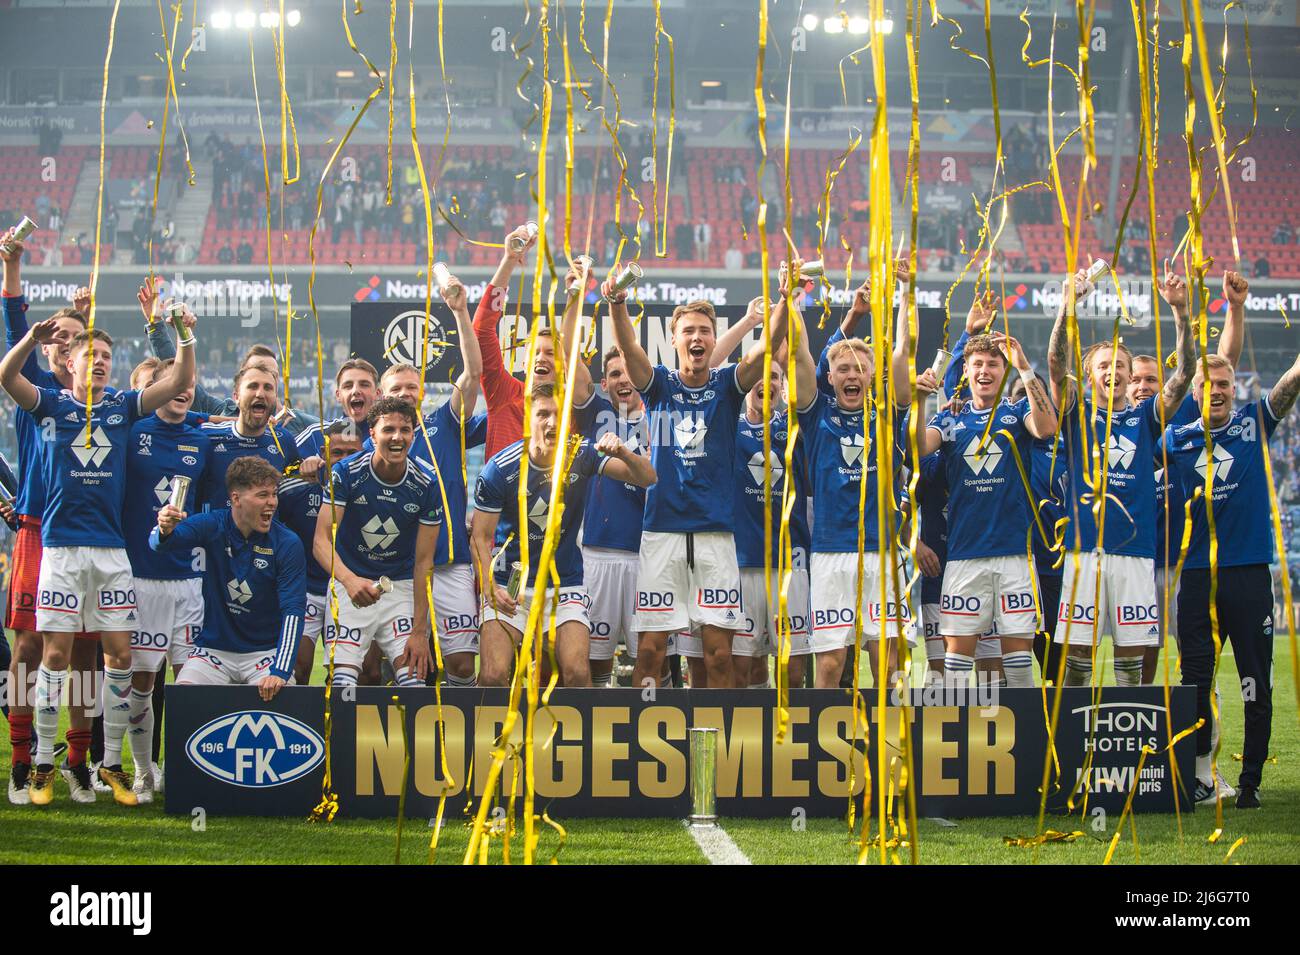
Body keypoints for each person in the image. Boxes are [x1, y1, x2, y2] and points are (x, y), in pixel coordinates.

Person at [0, 312, 195, 806]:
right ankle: (43, 762)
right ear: (71, 361)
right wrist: (30, 338)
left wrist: (184, 334)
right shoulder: (51, 404)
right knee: (56, 656)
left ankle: (110, 763)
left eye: (108, 356)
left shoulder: (123, 407)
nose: (102, 363)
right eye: (93, 356)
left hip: (112, 553)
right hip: (61, 550)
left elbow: (180, 379)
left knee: (119, 657)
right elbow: (6, 376)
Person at [608, 264, 783, 689]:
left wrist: (787, 297)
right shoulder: (659, 385)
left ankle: (718, 746)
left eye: (704, 330)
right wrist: (616, 303)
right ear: (674, 340)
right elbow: (630, 348)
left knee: (719, 654)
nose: (697, 338)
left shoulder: (726, 385)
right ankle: (642, 740)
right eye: (688, 331)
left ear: (712, 337)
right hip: (662, 534)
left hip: (716, 538)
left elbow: (765, 351)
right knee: (649, 649)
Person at [1046, 261, 1196, 687]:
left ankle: (1128, 749)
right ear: (1091, 375)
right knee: (1077, 664)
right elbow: (1057, 363)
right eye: (1104, 365)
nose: (1113, 372)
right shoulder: (1075, 413)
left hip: (1135, 555)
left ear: (1132, 378)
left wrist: (1181, 313)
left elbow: (1184, 374)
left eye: (1121, 366)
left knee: (1133, 667)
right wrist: (1066, 308)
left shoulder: (1146, 418)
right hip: (1083, 553)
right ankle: (1074, 744)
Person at [1166, 350, 1300, 809]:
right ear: (1196, 392)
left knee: (1254, 682)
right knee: (1194, 682)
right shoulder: (1176, 439)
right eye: (1208, 384)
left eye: (1224, 383)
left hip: (1247, 576)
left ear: (1233, 388)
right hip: (1198, 579)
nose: (1217, 391)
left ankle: (1251, 780)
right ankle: (1200, 772)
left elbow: (1285, 392)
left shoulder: (1252, 425)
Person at [914, 294, 1059, 689]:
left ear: (1002, 369)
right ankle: (964, 748)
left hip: (1015, 556)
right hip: (964, 559)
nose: (984, 371)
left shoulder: (1016, 415)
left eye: (993, 364)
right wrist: (921, 398)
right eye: (977, 364)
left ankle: (1024, 748)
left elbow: (1047, 428)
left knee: (1016, 668)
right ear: (967, 370)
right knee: (957, 668)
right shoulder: (949, 419)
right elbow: (917, 449)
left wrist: (1025, 368)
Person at [791, 271, 927, 688]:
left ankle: (891, 751)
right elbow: (797, 354)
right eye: (843, 368)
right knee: (830, 667)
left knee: (888, 668)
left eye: (860, 369)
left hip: (883, 555)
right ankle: (820, 749)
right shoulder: (816, 415)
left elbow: (906, 349)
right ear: (829, 378)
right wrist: (793, 297)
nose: (852, 375)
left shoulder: (888, 416)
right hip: (831, 555)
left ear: (871, 377)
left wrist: (907, 293)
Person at [471, 383, 656, 688]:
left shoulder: (581, 454)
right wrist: (490, 587)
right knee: (492, 675)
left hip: (564, 585)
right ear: (529, 418)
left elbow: (647, 477)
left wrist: (622, 450)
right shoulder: (500, 469)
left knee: (577, 672)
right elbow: (479, 537)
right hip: (509, 586)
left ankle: (575, 736)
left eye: (559, 414)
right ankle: (499, 735)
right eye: (543, 414)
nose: (551, 422)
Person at [1, 227, 93, 804]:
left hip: (92, 536)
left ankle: (78, 762)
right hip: (38, 530)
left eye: (77, 339)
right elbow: (16, 326)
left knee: (84, 650)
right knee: (30, 650)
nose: (66, 345)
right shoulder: (33, 384)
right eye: (57, 338)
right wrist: (12, 268)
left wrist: (85, 320)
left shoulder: (99, 394)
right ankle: (19, 758)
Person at [370, 267, 485, 688]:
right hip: (399, 571)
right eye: (396, 389)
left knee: (460, 666)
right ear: (383, 396)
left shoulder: (443, 424)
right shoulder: (373, 446)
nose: (405, 394)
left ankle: (460, 748)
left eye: (412, 388)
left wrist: (459, 312)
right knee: (403, 667)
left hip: (450, 565)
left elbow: (473, 374)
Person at [121, 357, 210, 802]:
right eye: (176, 382)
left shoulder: (202, 439)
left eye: (191, 383)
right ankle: (142, 770)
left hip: (190, 582)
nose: (185, 389)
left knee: (188, 680)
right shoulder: (132, 433)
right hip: (143, 579)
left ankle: (183, 772)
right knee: (142, 682)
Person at [312, 397, 442, 687]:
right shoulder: (345, 473)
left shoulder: (427, 483)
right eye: (389, 430)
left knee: (414, 682)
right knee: (342, 686)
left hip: (399, 587)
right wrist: (348, 580)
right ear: (372, 433)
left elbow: (424, 562)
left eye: (405, 430)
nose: (397, 437)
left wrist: (420, 631)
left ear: (413, 434)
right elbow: (320, 540)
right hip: (351, 584)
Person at [152, 456, 305, 696]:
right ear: (236, 498)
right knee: (183, 698)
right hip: (213, 651)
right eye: (263, 495)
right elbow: (161, 544)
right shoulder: (213, 525)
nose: (272, 503)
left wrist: (281, 671)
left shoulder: (287, 543)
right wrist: (164, 528)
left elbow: (293, 610)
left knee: (282, 697)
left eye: (274, 494)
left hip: (265, 653)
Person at [572, 346, 654, 687]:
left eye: (630, 372)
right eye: (616, 374)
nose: (625, 380)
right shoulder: (597, 414)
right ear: (604, 384)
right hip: (598, 554)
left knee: (651, 659)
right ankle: (598, 734)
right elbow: (570, 364)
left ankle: (645, 729)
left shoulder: (664, 413)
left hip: (650, 555)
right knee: (595, 662)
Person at [279, 423, 364, 685]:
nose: (344, 459)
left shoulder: (372, 489)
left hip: (350, 588)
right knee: (299, 668)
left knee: (362, 673)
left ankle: (343, 725)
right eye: (336, 452)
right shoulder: (296, 488)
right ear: (323, 454)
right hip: (307, 589)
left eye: (352, 452)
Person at [199, 362, 300, 506]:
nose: (260, 394)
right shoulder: (207, 435)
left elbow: (295, 489)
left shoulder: (284, 441)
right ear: (236, 397)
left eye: (268, 388)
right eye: (253, 386)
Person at [294, 358, 379, 472]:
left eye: (364, 385)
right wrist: (306, 469)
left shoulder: (389, 437)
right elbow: (282, 473)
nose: (355, 391)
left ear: (378, 394)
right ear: (338, 395)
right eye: (348, 386)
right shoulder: (316, 435)